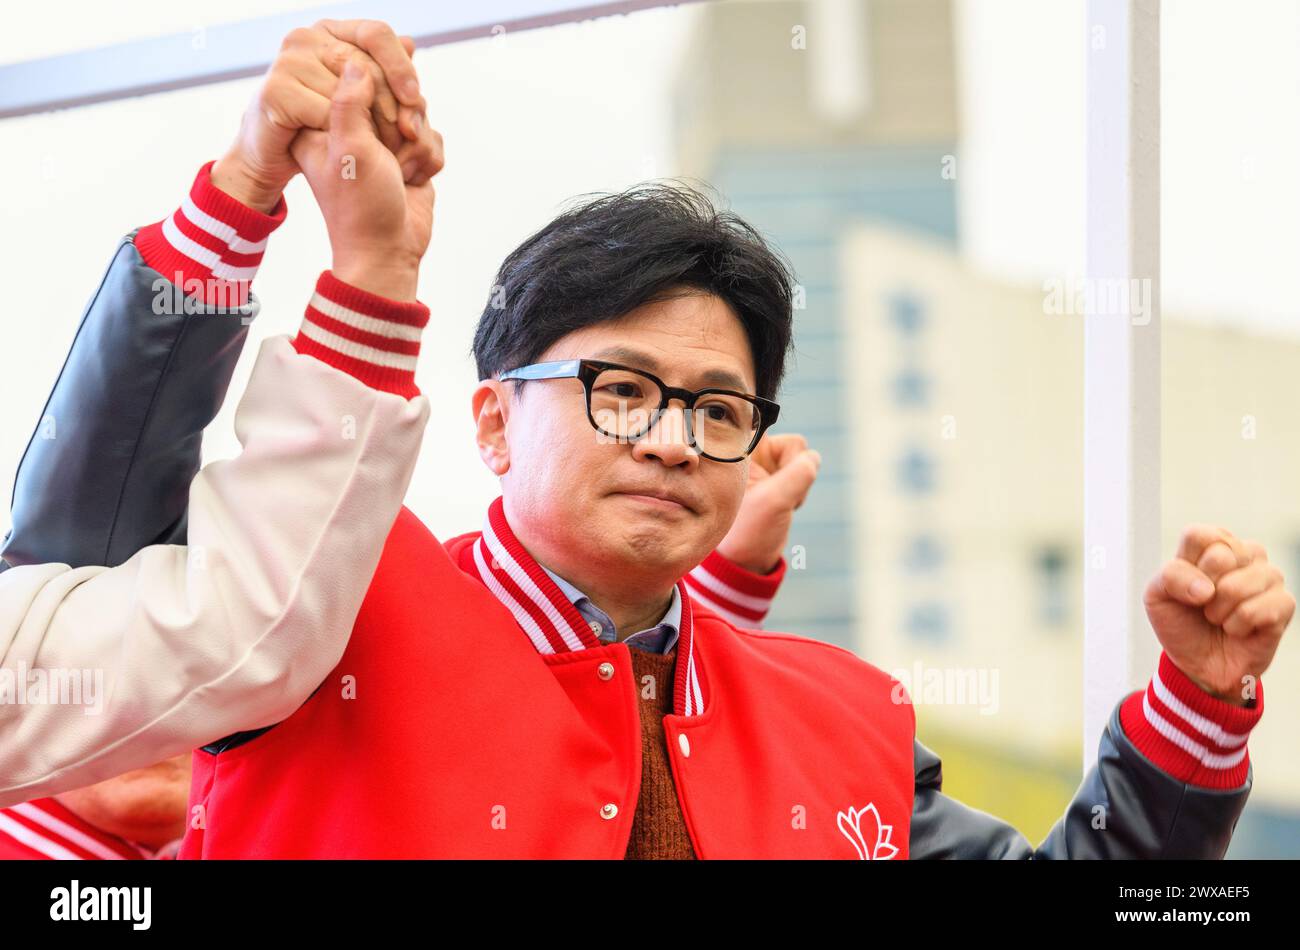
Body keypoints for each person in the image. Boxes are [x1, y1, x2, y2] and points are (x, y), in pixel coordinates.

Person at [7, 18, 1292, 859]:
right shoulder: (317, 606)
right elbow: (75, 560)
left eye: (719, 409)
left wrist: (1197, 706)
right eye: (620, 390)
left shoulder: (847, 719)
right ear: (494, 420)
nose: (675, 441)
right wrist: (239, 200)